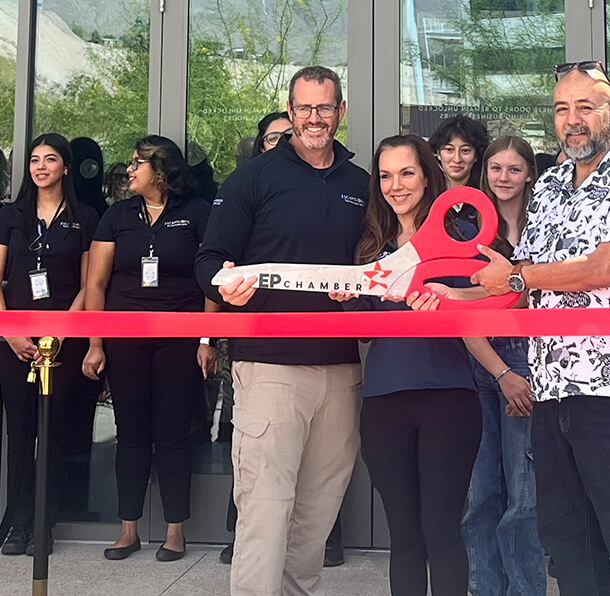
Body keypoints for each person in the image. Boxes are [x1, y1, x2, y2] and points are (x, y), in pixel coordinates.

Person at [441, 61, 610, 596]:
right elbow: (520, 287)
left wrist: (516, 275)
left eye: (585, 107)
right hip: (550, 393)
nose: (572, 120)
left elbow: (604, 268)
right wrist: (454, 298)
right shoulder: (546, 186)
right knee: (569, 552)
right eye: (561, 109)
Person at [197, 66, 370, 596]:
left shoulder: (362, 185)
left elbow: (375, 268)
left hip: (341, 368)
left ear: (341, 111)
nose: (315, 119)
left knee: (318, 512)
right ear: (290, 111)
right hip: (268, 365)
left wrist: (362, 290)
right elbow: (210, 259)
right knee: (265, 507)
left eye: (325, 108)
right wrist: (224, 285)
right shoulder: (252, 178)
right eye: (305, 108)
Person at [331, 135, 480, 595]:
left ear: (428, 176)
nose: (396, 185)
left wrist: (450, 297)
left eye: (407, 173)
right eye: (386, 176)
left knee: (442, 531)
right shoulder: (371, 243)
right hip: (384, 400)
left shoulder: (460, 233)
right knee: (405, 537)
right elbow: (364, 330)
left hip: (448, 397)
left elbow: (494, 299)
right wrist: (347, 298)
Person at [79, 135, 215, 562]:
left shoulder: (196, 212)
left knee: (173, 433)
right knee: (131, 433)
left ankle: (175, 532)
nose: (129, 170)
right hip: (125, 338)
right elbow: (95, 284)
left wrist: (207, 339)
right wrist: (95, 343)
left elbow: (211, 279)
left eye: (138, 163)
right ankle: (128, 530)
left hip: (179, 338)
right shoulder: (117, 215)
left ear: (161, 170)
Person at [0, 132, 103, 556]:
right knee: (19, 434)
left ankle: (42, 524)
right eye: (34, 160)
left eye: (50, 159)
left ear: (65, 167)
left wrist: (63, 332)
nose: (41, 167)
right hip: (15, 340)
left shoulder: (85, 217)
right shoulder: (9, 215)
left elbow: (89, 284)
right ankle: (16, 523)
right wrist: (10, 332)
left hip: (64, 341)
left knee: (53, 434)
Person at [461, 135, 549, 596]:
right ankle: (485, 588)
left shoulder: (546, 224)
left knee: (524, 497)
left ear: (529, 174)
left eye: (515, 169)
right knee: (480, 495)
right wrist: (502, 374)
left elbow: (540, 297)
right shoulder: (468, 230)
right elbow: (462, 312)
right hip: (481, 363)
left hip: (531, 359)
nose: (504, 177)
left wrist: (517, 374)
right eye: (496, 168)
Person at [430, 115, 490, 190]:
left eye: (465, 150)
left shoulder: (487, 191)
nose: (457, 159)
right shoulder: (428, 190)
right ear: (438, 153)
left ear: (476, 155)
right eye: (449, 149)